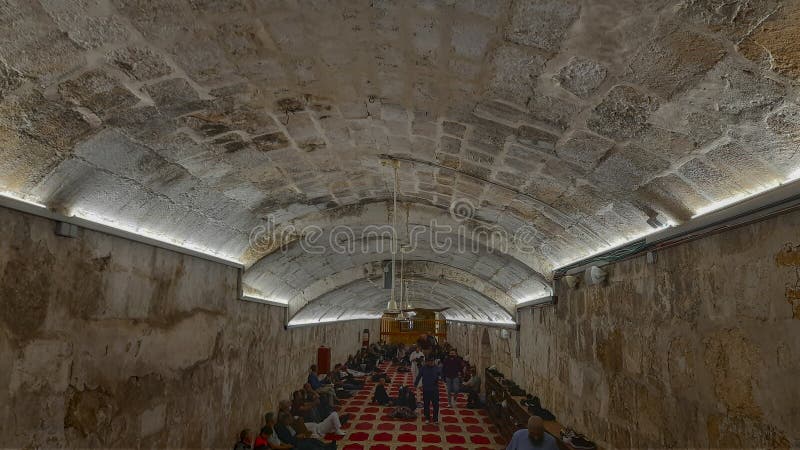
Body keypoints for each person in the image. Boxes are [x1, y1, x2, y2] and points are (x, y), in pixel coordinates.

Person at [414, 357, 442, 424]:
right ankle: (427, 418)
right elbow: (419, 376)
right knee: (426, 404)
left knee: (436, 405)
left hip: (435, 390)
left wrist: (441, 379)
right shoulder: (423, 368)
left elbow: (441, 375)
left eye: (432, 361)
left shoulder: (436, 368)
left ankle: (435, 419)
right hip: (426, 389)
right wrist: (415, 384)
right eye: (429, 361)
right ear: (426, 362)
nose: (431, 363)